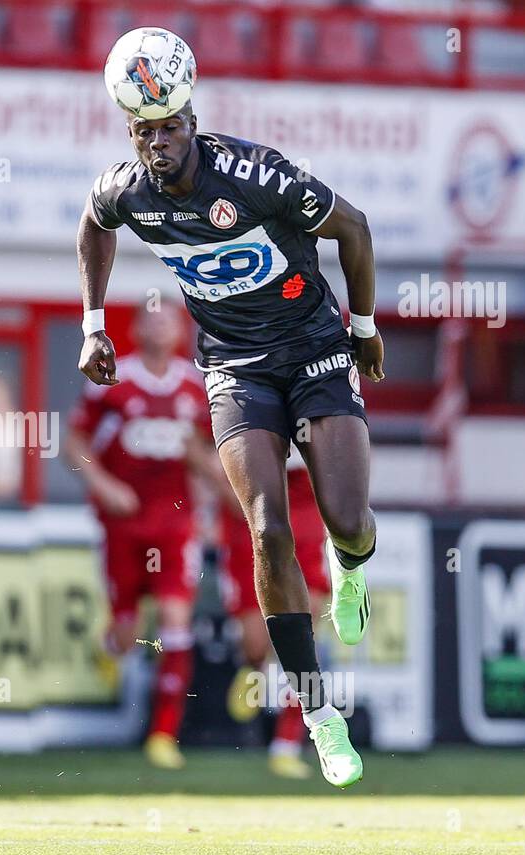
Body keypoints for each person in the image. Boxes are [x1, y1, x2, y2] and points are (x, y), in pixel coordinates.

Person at [75, 98, 383, 789]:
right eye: (143, 132)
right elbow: (94, 225)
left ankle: (352, 569)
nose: (158, 144)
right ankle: (318, 713)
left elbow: (354, 228)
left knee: (348, 519)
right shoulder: (126, 189)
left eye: (169, 128)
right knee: (267, 527)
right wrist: (93, 322)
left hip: (315, 351)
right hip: (236, 369)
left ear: (192, 123)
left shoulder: (253, 174)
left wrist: (362, 327)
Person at [65, 305, 212, 770]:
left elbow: (207, 454)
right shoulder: (114, 380)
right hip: (123, 525)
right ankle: (111, 646)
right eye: (153, 319)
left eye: (170, 320)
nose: (162, 327)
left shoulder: (196, 385)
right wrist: (105, 486)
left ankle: (164, 734)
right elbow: (74, 443)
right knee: (127, 631)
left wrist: (211, 505)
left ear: (181, 331)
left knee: (175, 622)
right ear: (136, 329)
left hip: (175, 524)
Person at [219, 448, 328, 779]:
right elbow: (205, 451)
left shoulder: (320, 400)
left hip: (307, 525)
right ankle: (252, 667)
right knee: (256, 641)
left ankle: (287, 744)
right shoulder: (247, 399)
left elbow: (354, 449)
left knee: (301, 644)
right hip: (256, 522)